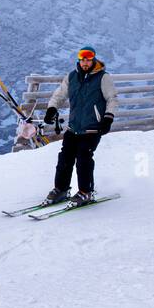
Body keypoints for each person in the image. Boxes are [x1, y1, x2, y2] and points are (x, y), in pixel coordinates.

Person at [40, 46, 117, 205]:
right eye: (83, 59)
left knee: (83, 158)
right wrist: (51, 109)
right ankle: (61, 189)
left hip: (92, 127)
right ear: (79, 60)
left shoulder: (103, 77)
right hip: (74, 127)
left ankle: (85, 192)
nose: (85, 62)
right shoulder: (72, 77)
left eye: (88, 59)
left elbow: (112, 99)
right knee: (65, 158)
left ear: (93, 59)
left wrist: (108, 118)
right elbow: (59, 95)